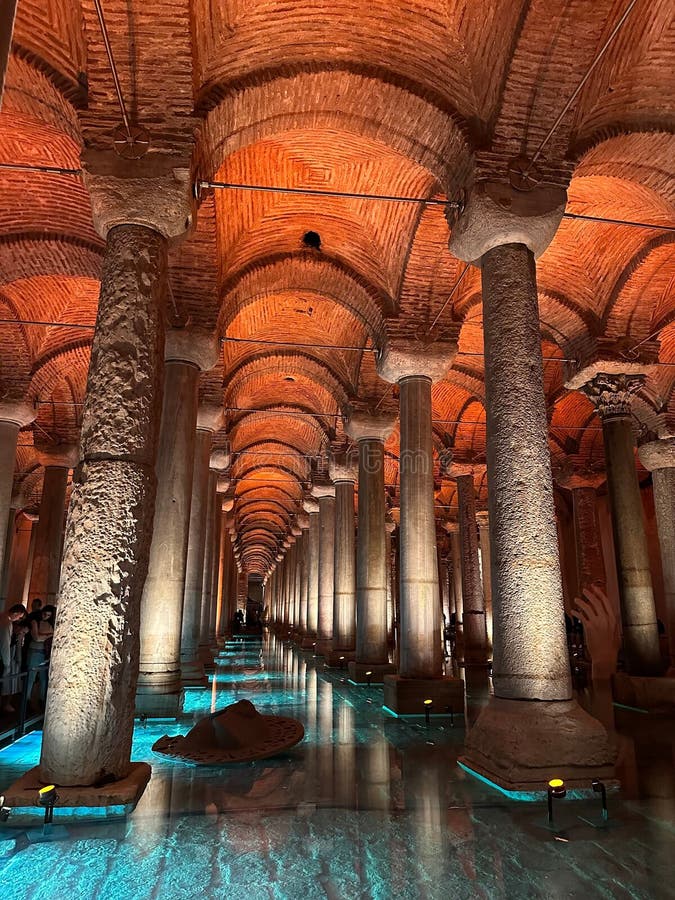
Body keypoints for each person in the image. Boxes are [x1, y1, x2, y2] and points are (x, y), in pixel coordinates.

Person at [25, 605, 54, 708]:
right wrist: (49, 635)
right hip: (34, 651)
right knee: (30, 678)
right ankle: (26, 700)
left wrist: (44, 635)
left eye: (48, 615)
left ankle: (41, 700)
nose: (45, 616)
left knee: (44, 678)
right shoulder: (35, 621)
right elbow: (36, 638)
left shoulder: (51, 624)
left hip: (45, 653)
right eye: (44, 614)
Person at [0, 604, 27, 713]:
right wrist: (7, 664)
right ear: (16, 613)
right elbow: (4, 645)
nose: (18, 619)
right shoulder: (7, 623)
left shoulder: (2, 618)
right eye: (19, 617)